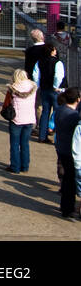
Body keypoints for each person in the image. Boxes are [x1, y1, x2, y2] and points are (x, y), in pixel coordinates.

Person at [5, 69, 37, 175]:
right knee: (25, 143)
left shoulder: (12, 88)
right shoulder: (33, 87)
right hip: (29, 118)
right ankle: (25, 166)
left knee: (14, 144)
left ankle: (15, 166)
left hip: (16, 119)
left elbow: (6, 103)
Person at [55, 88, 81, 218]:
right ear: (77, 99)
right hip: (70, 151)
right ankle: (68, 208)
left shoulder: (59, 109)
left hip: (61, 147)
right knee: (70, 181)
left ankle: (64, 206)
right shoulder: (74, 116)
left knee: (66, 180)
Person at [32, 43, 64, 143]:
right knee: (58, 113)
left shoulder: (39, 62)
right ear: (51, 51)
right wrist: (55, 86)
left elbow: (35, 75)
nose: (56, 51)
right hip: (55, 90)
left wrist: (38, 86)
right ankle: (58, 138)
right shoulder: (58, 62)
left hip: (44, 88)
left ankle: (42, 136)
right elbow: (58, 76)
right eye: (54, 49)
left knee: (45, 112)